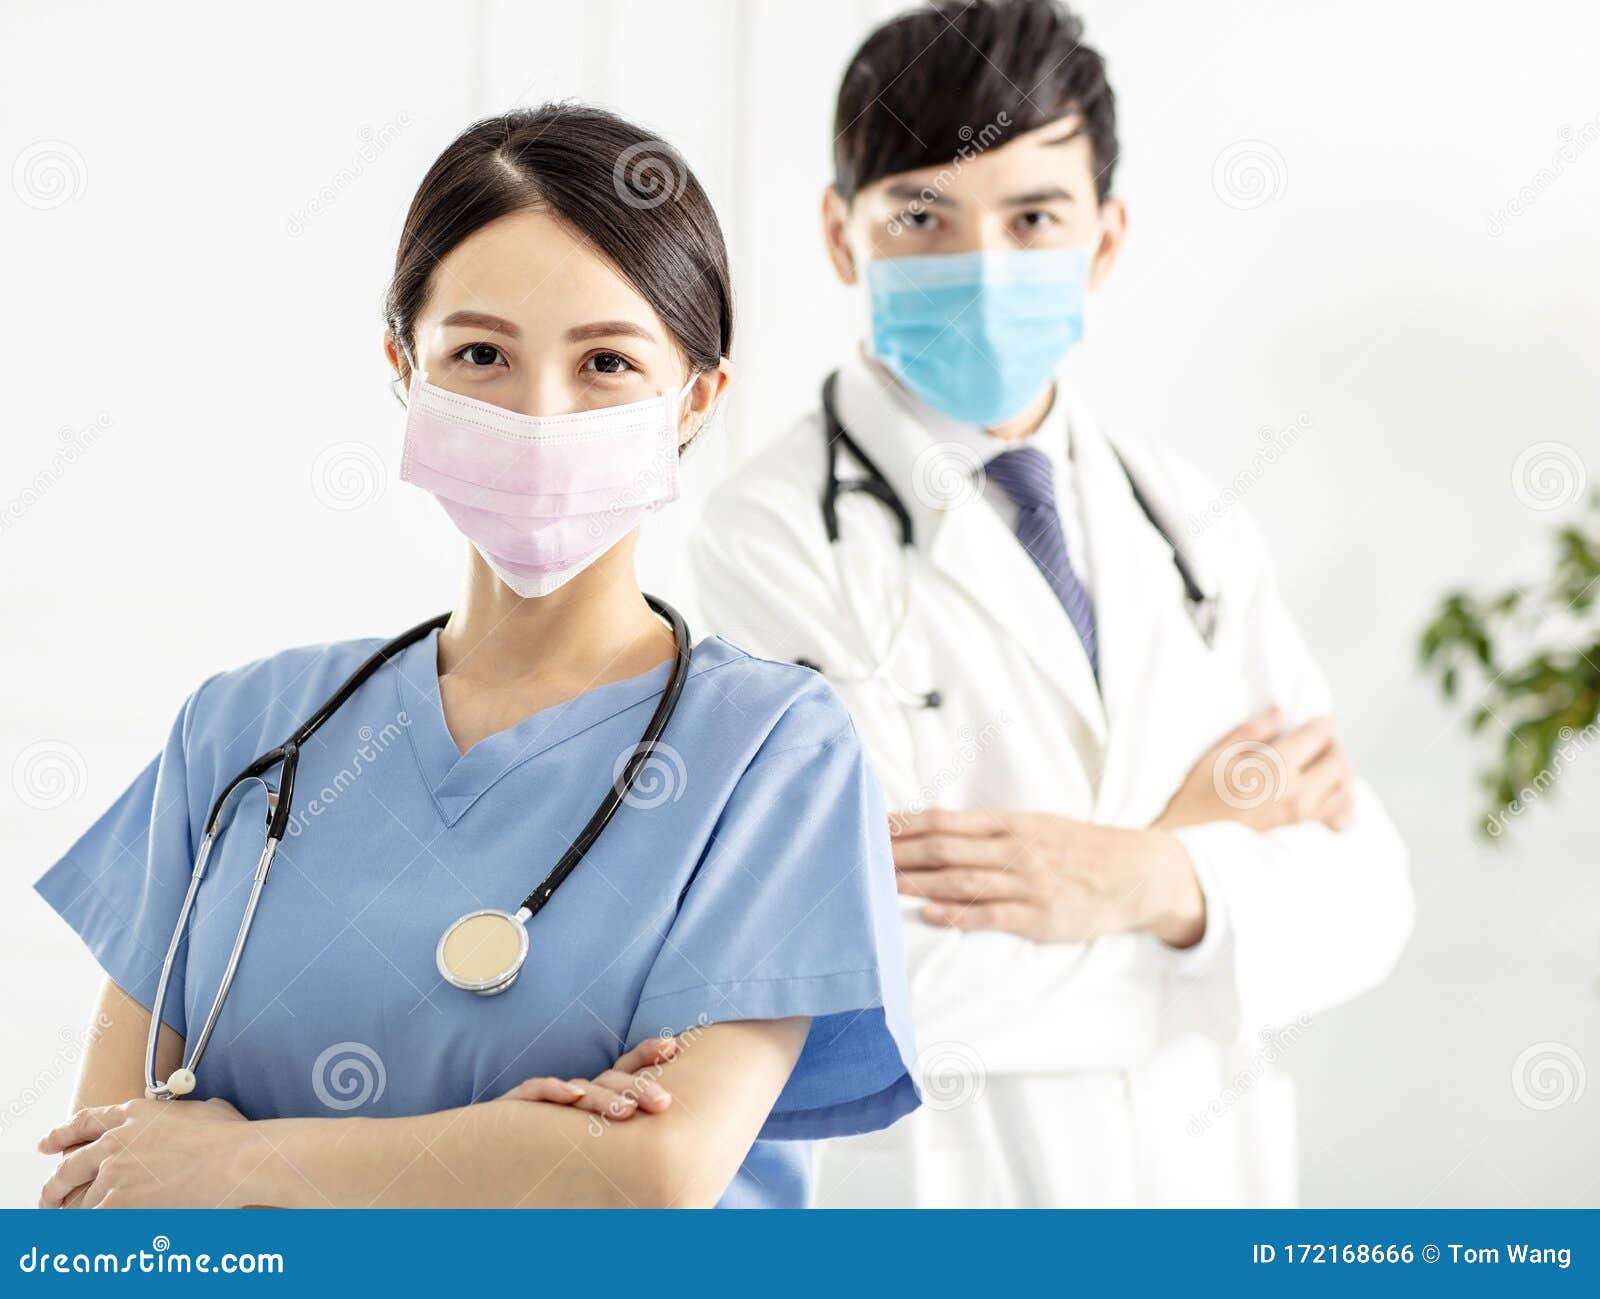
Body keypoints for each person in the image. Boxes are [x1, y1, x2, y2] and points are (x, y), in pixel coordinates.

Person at [32, 104, 918, 1210]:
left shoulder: (773, 752)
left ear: (696, 398)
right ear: (405, 367)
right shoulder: (242, 731)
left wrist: (241, 1162)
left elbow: (652, 1176)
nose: (539, 413)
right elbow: (98, 1190)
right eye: (482, 354)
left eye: (604, 361)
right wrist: (500, 1154)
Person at [690, 0, 1412, 1207]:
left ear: (1108, 237)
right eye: (922, 216)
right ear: (838, 232)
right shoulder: (767, 538)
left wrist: (1138, 875)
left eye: (1033, 218)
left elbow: (1365, 901)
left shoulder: (1188, 521)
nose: (983, 266)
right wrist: (1209, 889)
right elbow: (862, 983)